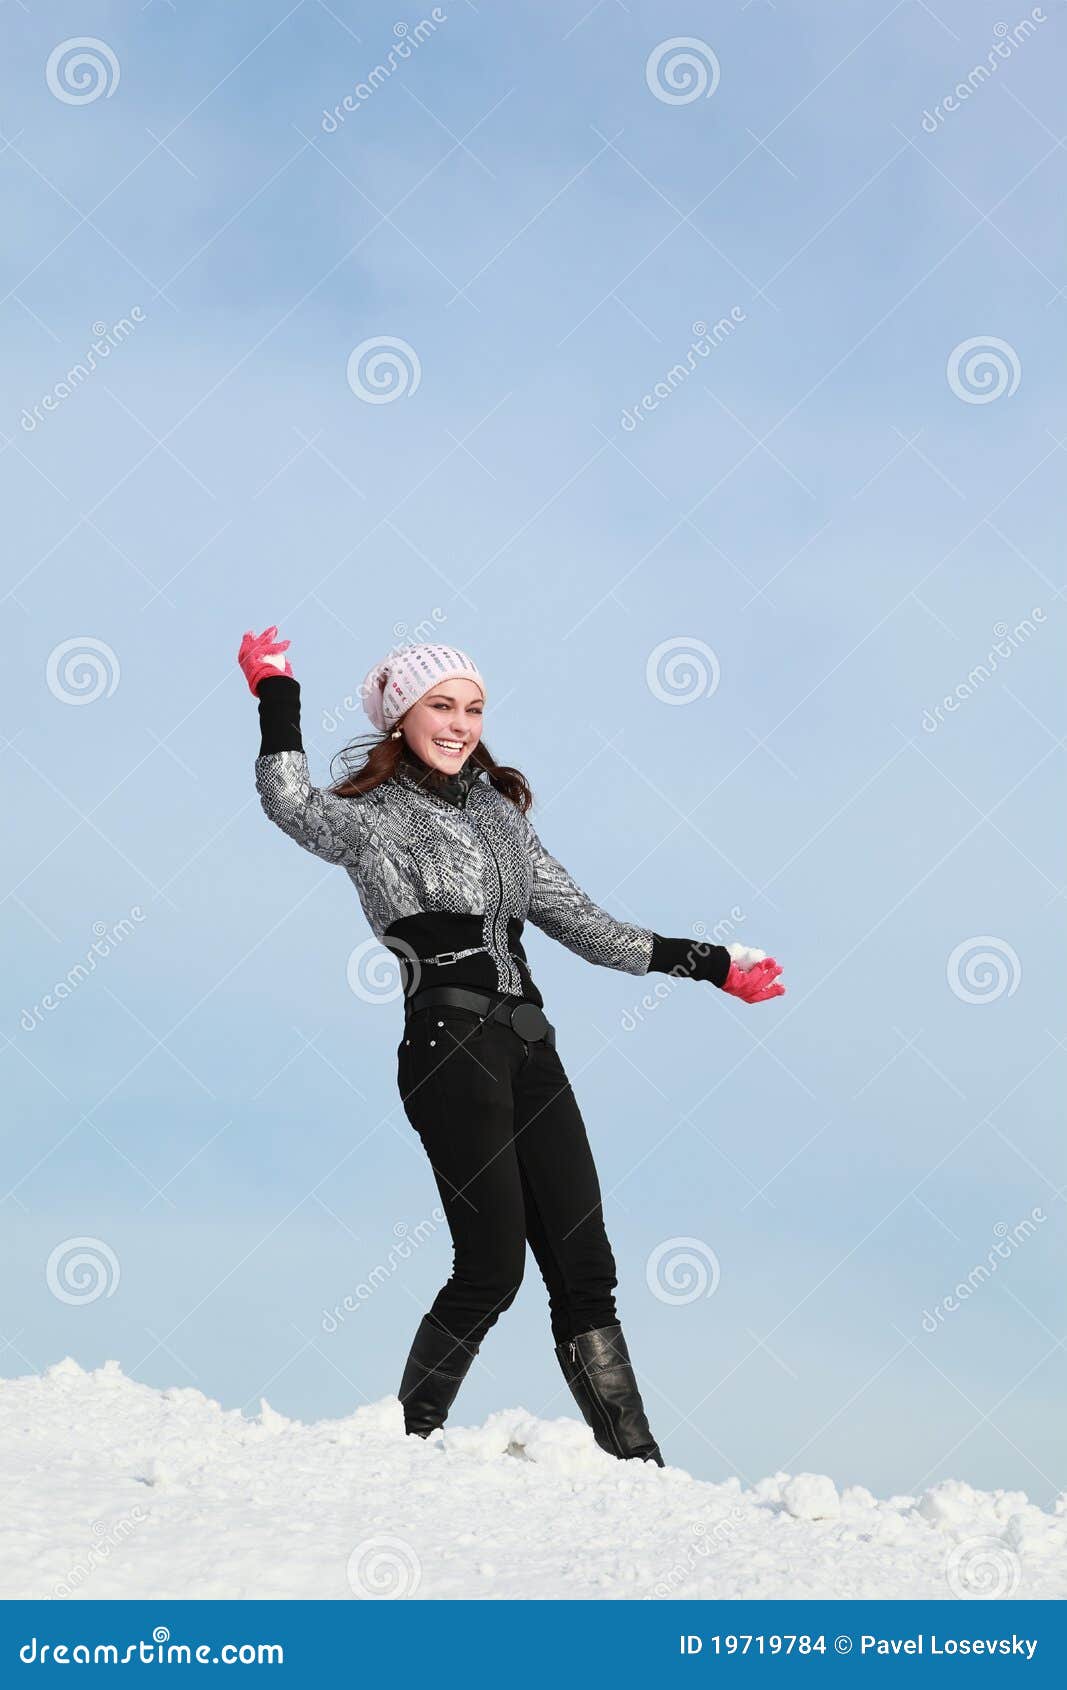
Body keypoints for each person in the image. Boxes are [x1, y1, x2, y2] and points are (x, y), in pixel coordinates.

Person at [239, 627, 785, 1466]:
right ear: (399, 718)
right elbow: (289, 801)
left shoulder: (501, 818)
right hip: (447, 1044)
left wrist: (709, 964)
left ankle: (637, 1466)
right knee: (491, 1266)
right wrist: (276, 694)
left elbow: (587, 926)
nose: (459, 723)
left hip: (530, 1049)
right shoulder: (370, 819)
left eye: (472, 708)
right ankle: (408, 1443)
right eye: (439, 706)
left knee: (584, 1265)